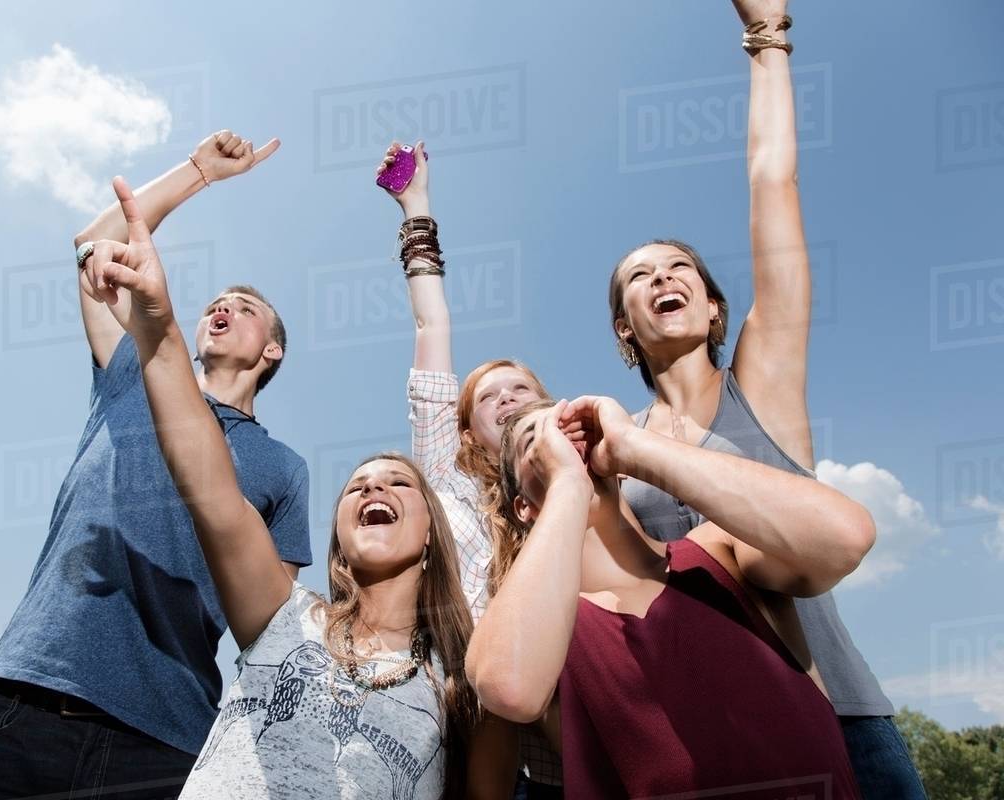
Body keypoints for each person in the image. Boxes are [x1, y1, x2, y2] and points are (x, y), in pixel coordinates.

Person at [84, 176, 515, 799]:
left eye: (398, 482)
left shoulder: (466, 686)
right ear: (335, 538)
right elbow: (211, 488)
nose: (373, 489)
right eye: (356, 487)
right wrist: (160, 327)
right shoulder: (283, 615)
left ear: (432, 532)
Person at [0, 132, 313, 800]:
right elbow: (92, 242)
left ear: (273, 351)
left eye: (245, 308)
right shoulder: (132, 372)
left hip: (163, 741)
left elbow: (269, 623)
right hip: (25, 701)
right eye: (214, 305)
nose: (221, 308)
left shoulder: (283, 469)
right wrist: (200, 172)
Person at [608, 4, 926, 796]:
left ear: (715, 309)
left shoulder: (762, 388)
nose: (664, 278)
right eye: (642, 277)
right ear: (626, 329)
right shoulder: (614, 444)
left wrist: (768, 36)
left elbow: (771, 179)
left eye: (681, 267)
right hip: (701, 730)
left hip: (840, 719)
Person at [469, 397, 875, 798]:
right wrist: (566, 485)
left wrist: (630, 444)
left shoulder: (720, 549)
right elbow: (510, 689)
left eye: (570, 427)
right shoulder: (542, 628)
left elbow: (846, 538)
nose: (559, 441)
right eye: (535, 442)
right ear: (523, 507)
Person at [378, 142, 566, 796]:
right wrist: (416, 206)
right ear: (462, 427)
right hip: (463, 725)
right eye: (489, 395)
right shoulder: (446, 474)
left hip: (565, 752)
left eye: (521, 389)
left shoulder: (581, 487)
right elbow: (433, 320)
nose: (508, 398)